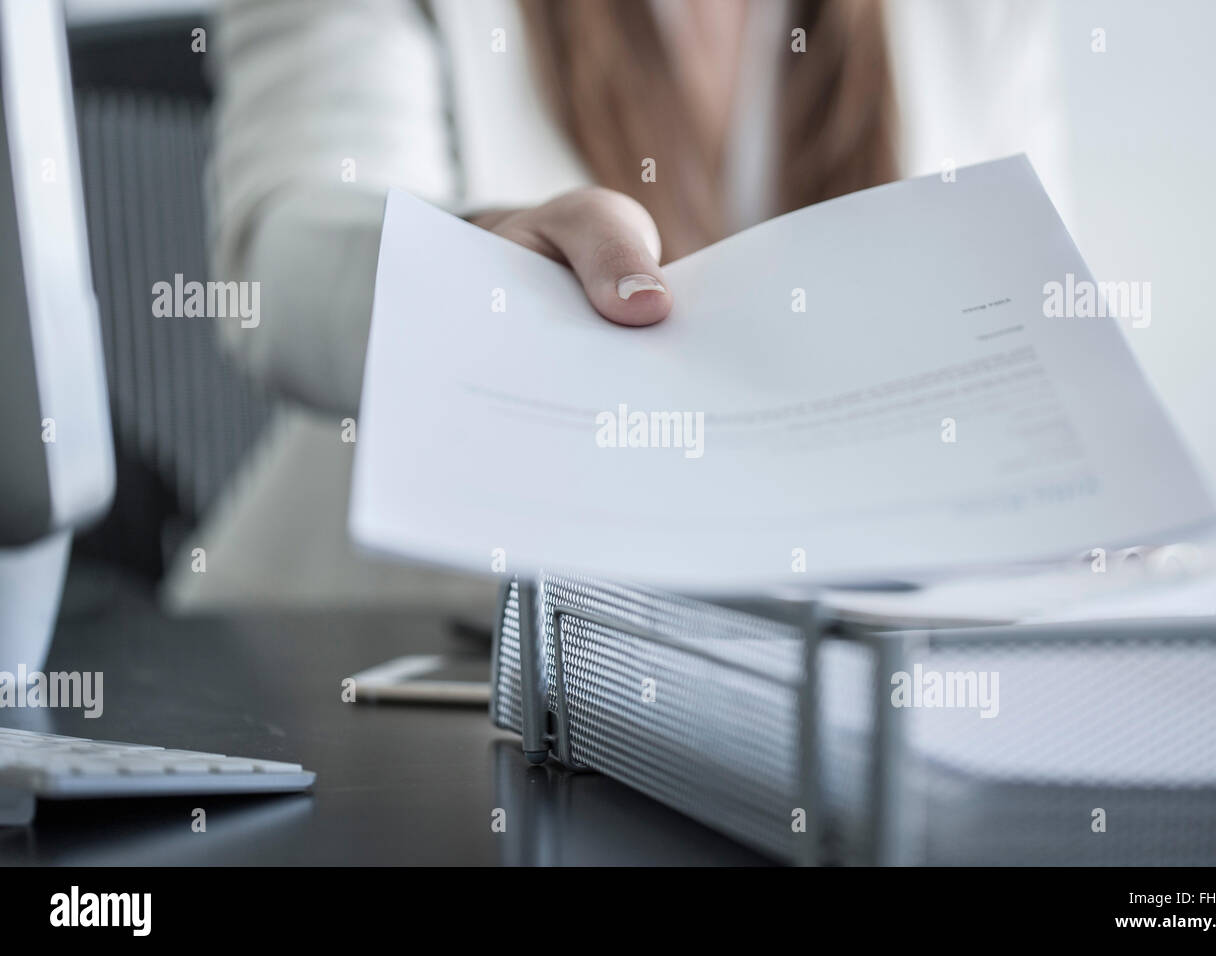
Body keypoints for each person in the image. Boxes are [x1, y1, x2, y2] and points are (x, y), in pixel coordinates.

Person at [166, 0, 1067, 616]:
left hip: (810, 695)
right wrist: (480, 269)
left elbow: (1025, 315)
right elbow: (279, 264)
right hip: (373, 671)